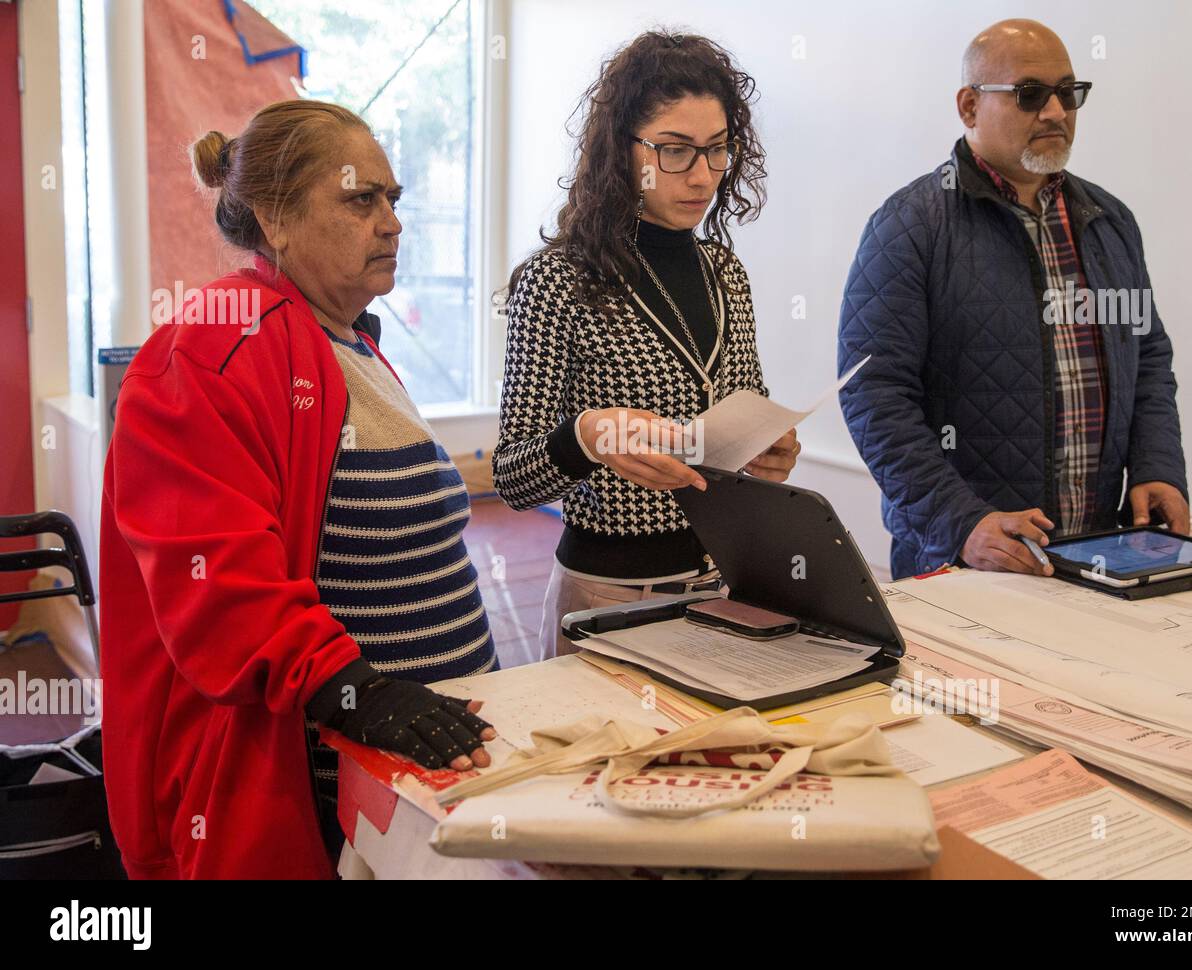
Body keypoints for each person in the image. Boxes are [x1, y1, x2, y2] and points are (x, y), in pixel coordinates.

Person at [99, 100, 497, 879]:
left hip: (415, 772)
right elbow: (216, 579)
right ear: (275, 219)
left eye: (394, 199)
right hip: (321, 787)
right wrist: (360, 695)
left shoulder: (348, 344)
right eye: (360, 200)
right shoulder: (217, 345)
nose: (392, 222)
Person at [837, 19, 1189, 580]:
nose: (1055, 112)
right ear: (970, 107)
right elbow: (874, 396)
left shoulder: (1108, 222)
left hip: (1100, 555)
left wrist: (1157, 467)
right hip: (966, 567)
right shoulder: (910, 227)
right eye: (1030, 94)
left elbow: (1146, 360)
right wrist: (961, 523)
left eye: (1067, 93)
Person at [494, 31, 799, 657]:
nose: (703, 176)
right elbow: (513, 477)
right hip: (608, 595)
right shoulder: (561, 279)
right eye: (675, 151)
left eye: (717, 150)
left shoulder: (724, 272)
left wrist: (772, 452)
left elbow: (748, 410)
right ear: (621, 149)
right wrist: (586, 437)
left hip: (723, 582)